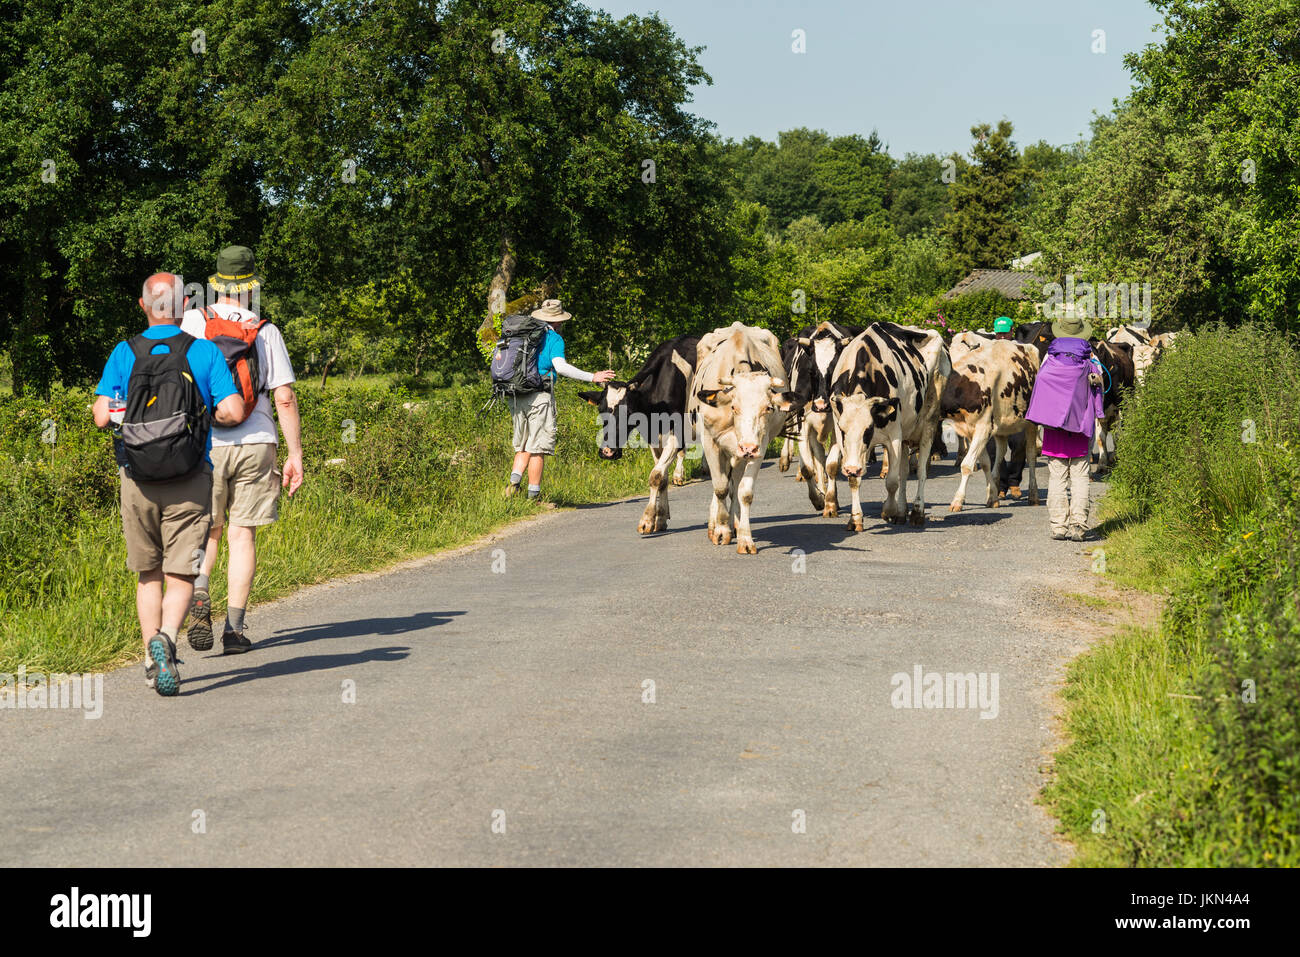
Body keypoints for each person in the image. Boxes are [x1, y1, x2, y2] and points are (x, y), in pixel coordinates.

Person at [92, 273, 244, 696]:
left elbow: (102, 417)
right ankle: (168, 642)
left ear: (144, 306)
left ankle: (147, 656)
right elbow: (232, 409)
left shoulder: (124, 352)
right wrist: (207, 416)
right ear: (183, 308)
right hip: (191, 476)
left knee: (148, 571)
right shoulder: (204, 351)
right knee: (182, 570)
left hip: (137, 478)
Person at [180, 245, 304, 654]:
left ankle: (199, 591)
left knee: (207, 530)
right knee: (242, 534)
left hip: (205, 444)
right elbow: (283, 397)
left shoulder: (194, 322)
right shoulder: (266, 329)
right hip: (256, 443)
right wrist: (295, 454)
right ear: (251, 284)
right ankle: (233, 631)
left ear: (216, 283)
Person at [506, 299, 614, 499]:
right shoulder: (553, 338)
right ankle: (533, 498)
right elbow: (561, 367)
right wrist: (593, 377)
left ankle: (512, 486)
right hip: (539, 395)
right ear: (558, 321)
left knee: (523, 444)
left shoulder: (522, 335)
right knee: (537, 448)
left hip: (516, 394)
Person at [1025, 314, 1105, 541]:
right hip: (1080, 425)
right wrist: (1098, 412)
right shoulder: (1090, 358)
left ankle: (1058, 526)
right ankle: (1078, 524)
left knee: (1057, 475)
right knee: (1080, 474)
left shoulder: (1049, 358)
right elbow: (1099, 387)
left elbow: (1041, 386)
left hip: (1053, 427)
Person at [990, 316, 1028, 500]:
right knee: (991, 448)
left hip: (1016, 406)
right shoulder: (988, 350)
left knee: (1019, 443)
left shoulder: (1021, 351)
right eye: (999, 333)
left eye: (1005, 333)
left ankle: (1014, 482)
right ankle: (1001, 485)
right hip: (993, 408)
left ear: (1012, 331)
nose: (1002, 337)